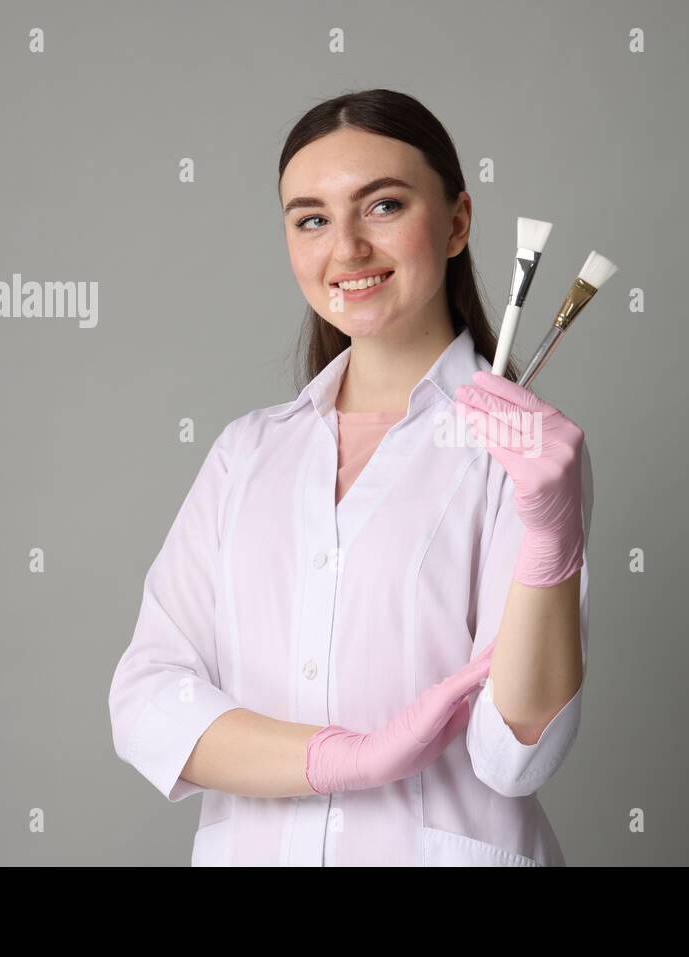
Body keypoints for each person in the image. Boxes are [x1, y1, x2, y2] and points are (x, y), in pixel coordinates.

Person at [108, 89, 594, 866]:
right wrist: (347, 758)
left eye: (383, 206)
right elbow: (144, 703)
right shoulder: (245, 455)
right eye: (311, 219)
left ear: (458, 222)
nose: (347, 249)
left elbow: (517, 757)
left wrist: (551, 538)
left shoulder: (525, 452)